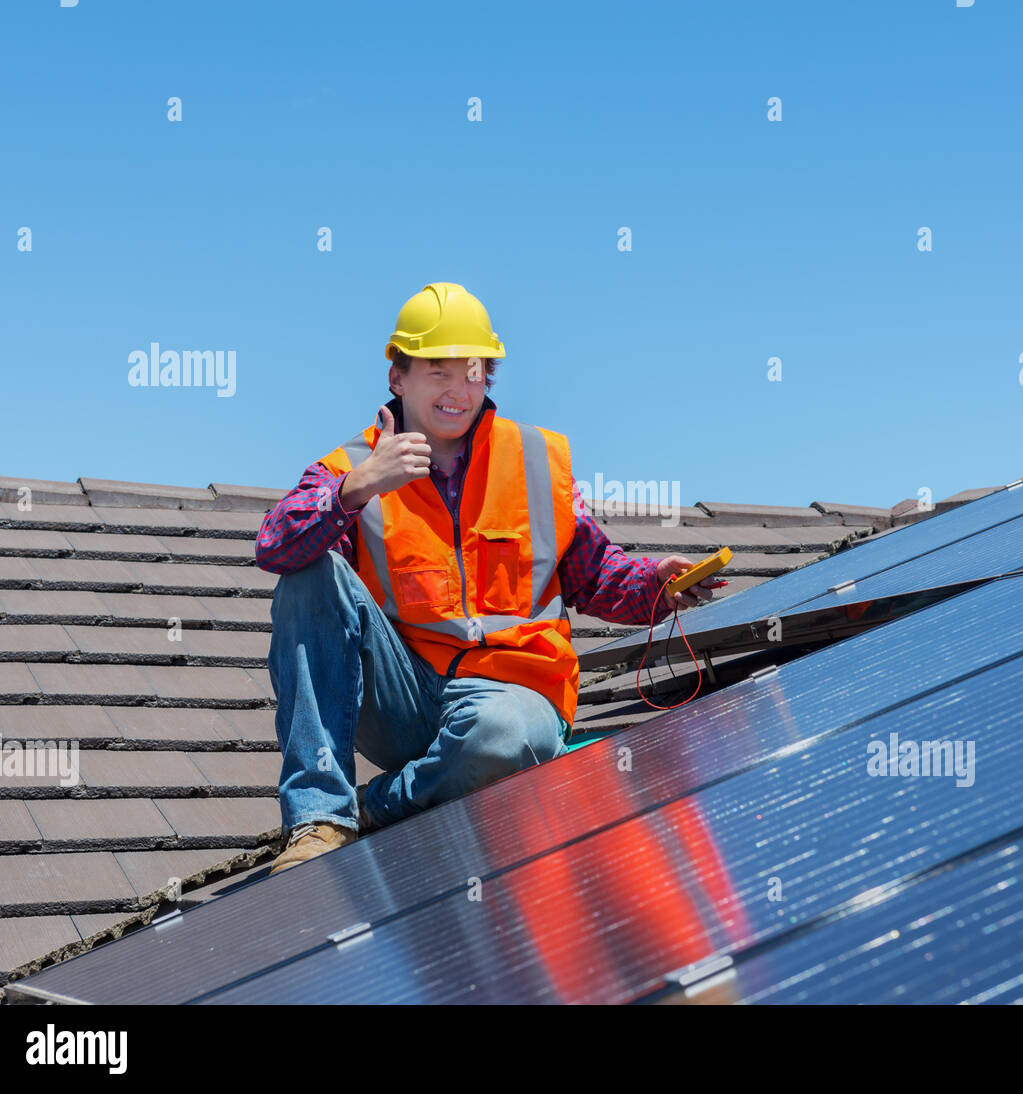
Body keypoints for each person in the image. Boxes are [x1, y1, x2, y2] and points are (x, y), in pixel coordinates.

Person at [255, 282, 721, 873]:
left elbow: (596, 572)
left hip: (508, 701)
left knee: (508, 737)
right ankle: (320, 817)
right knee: (307, 573)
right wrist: (359, 487)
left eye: (473, 371)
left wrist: (659, 583)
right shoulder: (355, 466)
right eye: (437, 371)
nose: (458, 389)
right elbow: (275, 546)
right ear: (398, 377)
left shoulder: (533, 459)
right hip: (407, 700)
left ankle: (377, 805)